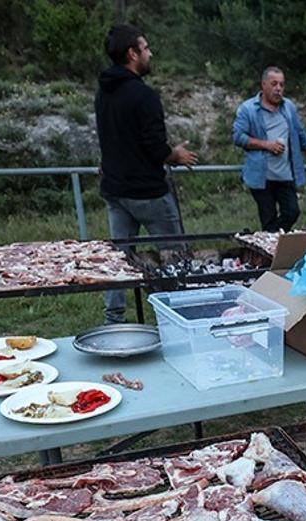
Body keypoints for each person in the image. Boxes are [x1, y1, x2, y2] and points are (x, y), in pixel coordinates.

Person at [95, 24, 197, 324]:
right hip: (148, 192)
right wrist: (174, 154)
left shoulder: (103, 93)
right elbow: (154, 146)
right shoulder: (144, 95)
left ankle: (113, 319)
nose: (150, 53)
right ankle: (176, 316)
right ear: (132, 53)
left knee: (118, 258)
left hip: (115, 190)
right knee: (173, 254)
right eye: (146, 48)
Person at [232, 67, 306, 232]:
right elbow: (238, 137)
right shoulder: (248, 109)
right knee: (268, 217)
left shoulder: (288, 107)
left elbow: (301, 135)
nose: (278, 88)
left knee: (292, 212)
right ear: (264, 85)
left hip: (285, 174)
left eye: (281, 84)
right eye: (274, 84)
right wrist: (266, 145)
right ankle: (271, 247)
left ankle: (264, 239)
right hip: (261, 176)